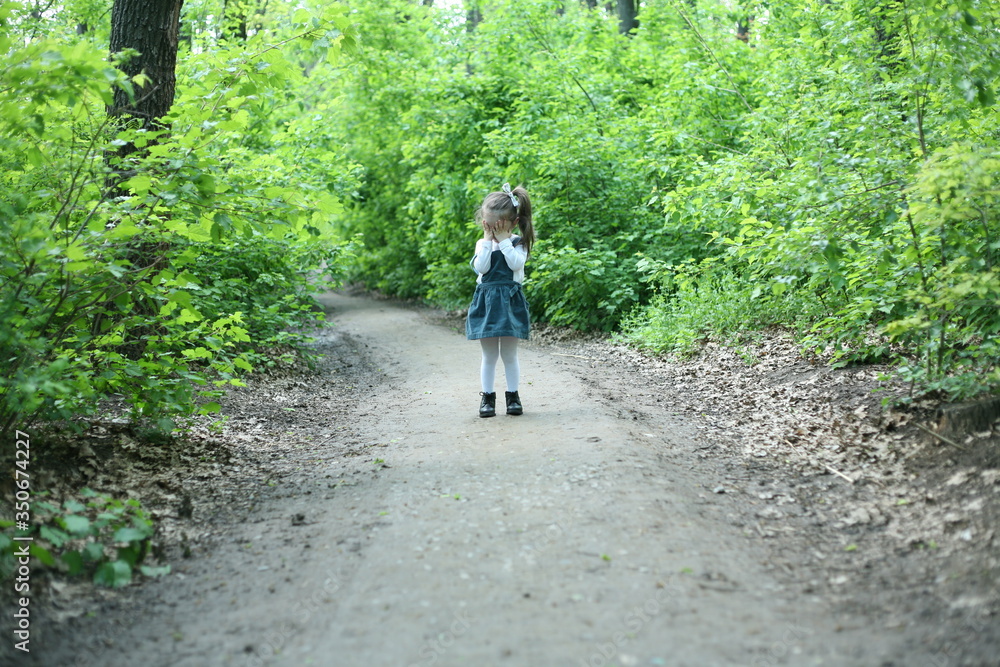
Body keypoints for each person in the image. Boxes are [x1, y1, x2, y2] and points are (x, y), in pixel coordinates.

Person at [465, 183, 535, 418]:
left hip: (510, 303)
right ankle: (487, 398)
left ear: (512, 223)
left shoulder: (518, 243)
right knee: (489, 355)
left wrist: (504, 241)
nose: (492, 230)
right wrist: (487, 241)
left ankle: (513, 396)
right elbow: (481, 268)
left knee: (509, 354)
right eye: (488, 225)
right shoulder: (482, 243)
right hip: (486, 303)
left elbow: (516, 264)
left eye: (497, 226)